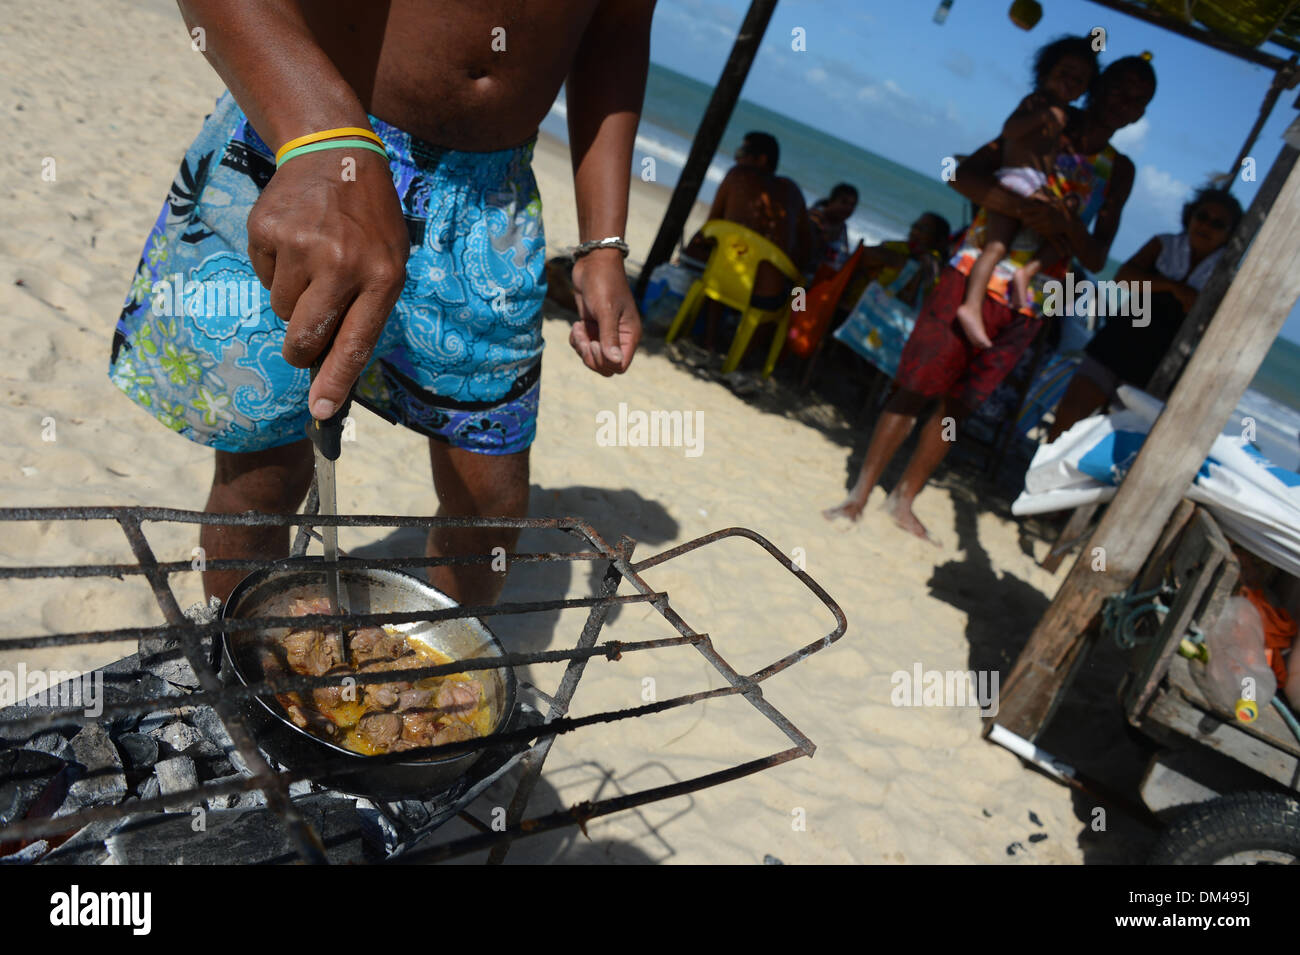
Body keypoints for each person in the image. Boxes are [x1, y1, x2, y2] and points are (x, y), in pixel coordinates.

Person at [107, 0, 652, 605]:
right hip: (311, 147)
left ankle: (447, 674)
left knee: (490, 503)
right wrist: (320, 138)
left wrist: (603, 246)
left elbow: (618, 33)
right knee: (264, 476)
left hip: (487, 206)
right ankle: (237, 667)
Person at [824, 55, 1155, 543]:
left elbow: (1099, 255)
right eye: (1119, 87)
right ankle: (861, 492)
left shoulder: (1119, 171)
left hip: (1033, 297)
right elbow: (961, 174)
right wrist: (1020, 207)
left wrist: (1064, 227)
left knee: (962, 403)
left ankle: (905, 498)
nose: (1123, 101)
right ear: (1097, 85)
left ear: (1138, 115)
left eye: (1137, 99)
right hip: (973, 274)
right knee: (917, 382)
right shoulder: (1048, 121)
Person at [1047, 185, 1242, 440]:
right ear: (1190, 216)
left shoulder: (1226, 275)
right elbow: (1123, 278)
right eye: (1202, 216)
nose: (1206, 226)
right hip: (1118, 342)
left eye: (1218, 224)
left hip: (1160, 365)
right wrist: (1173, 288)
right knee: (1068, 418)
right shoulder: (1164, 245)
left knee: (1120, 439)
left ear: (1229, 235)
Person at [956, 36, 1099, 349]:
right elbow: (1008, 132)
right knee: (995, 247)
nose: (1070, 81)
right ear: (1046, 72)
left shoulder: (1064, 115)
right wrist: (1043, 117)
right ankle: (970, 305)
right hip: (1017, 180)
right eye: (1065, 72)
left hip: (1033, 183)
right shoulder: (1037, 102)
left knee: (1061, 239)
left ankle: (1025, 273)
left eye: (1079, 79)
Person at [680, 131, 811, 350]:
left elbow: (711, 227)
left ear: (761, 159)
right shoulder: (792, 191)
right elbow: (808, 247)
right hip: (768, 298)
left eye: (742, 152)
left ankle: (709, 341)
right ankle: (748, 353)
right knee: (793, 287)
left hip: (725, 284)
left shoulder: (736, 176)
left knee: (723, 259)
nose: (736, 158)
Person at [807, 183, 859, 273]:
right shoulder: (813, 217)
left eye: (852, 205)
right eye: (844, 202)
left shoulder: (842, 227)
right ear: (831, 201)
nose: (848, 208)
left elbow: (842, 256)